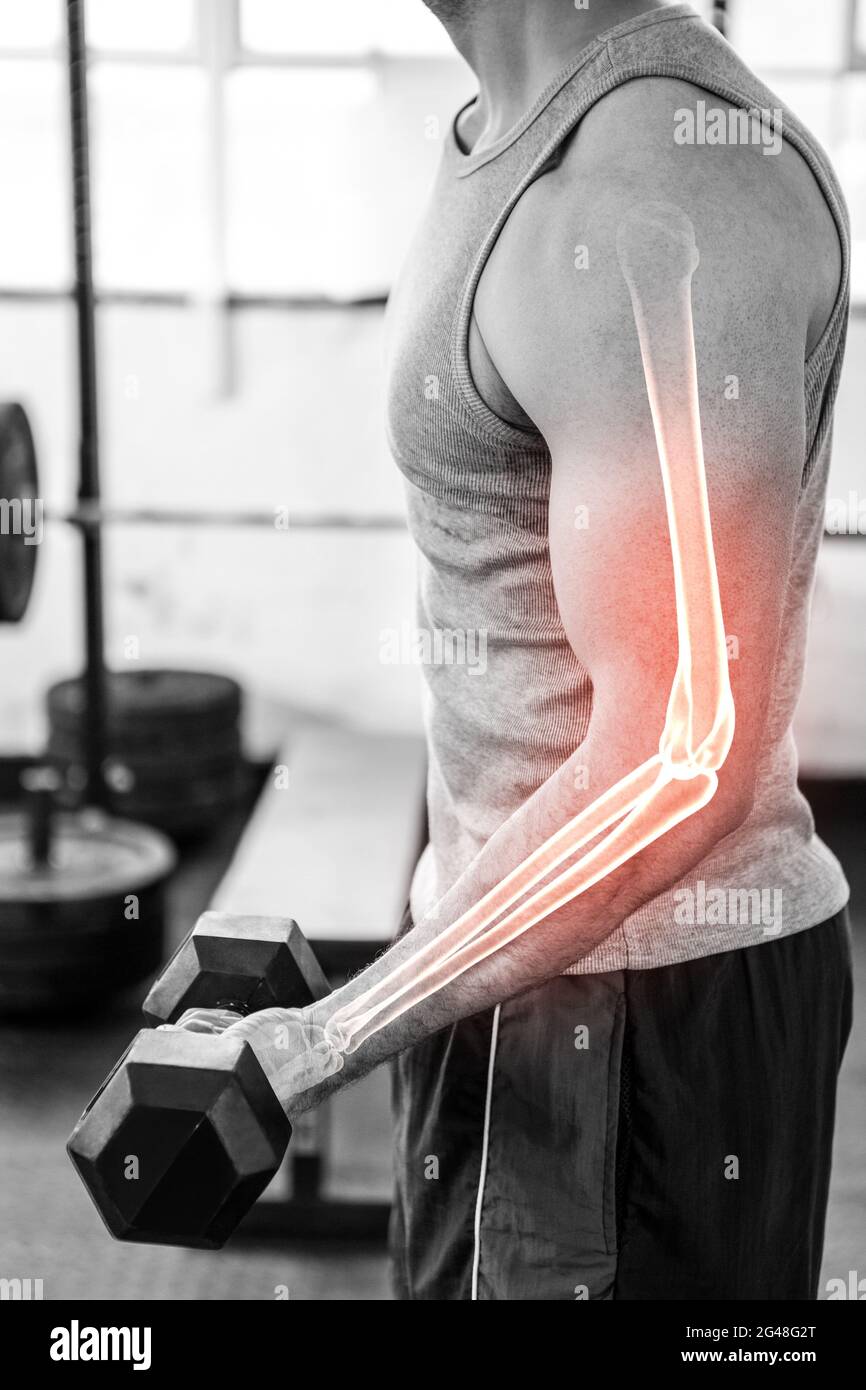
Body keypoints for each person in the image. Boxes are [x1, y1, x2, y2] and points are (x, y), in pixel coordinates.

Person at [184, 1, 853, 1300]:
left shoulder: (651, 184)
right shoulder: (526, 136)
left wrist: (330, 1035)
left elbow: (676, 755)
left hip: (618, 1010)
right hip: (540, 968)